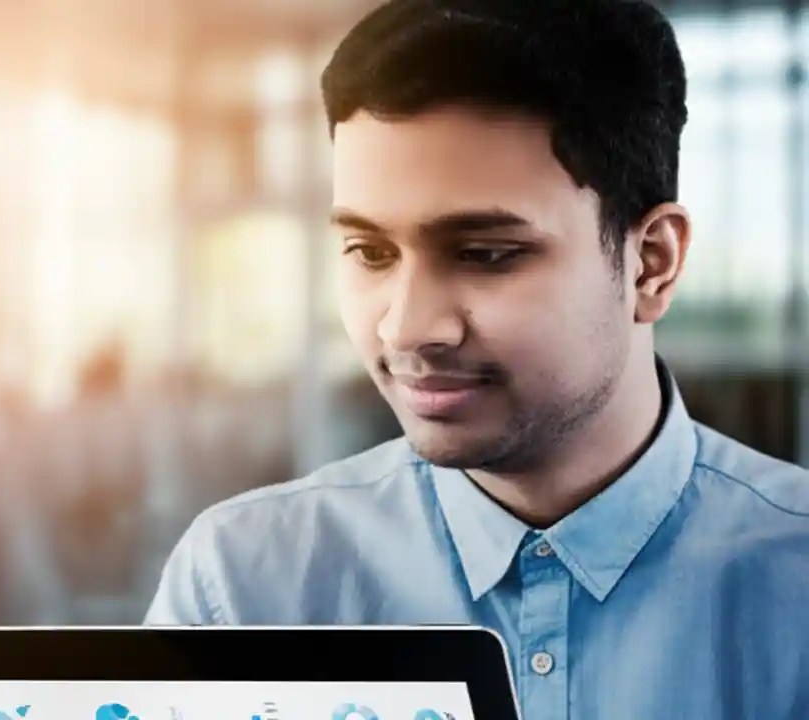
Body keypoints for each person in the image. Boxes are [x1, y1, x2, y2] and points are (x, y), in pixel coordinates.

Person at [144, 1, 809, 717]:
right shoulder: (246, 587)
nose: (407, 328)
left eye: (485, 254)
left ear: (651, 264)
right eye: (370, 251)